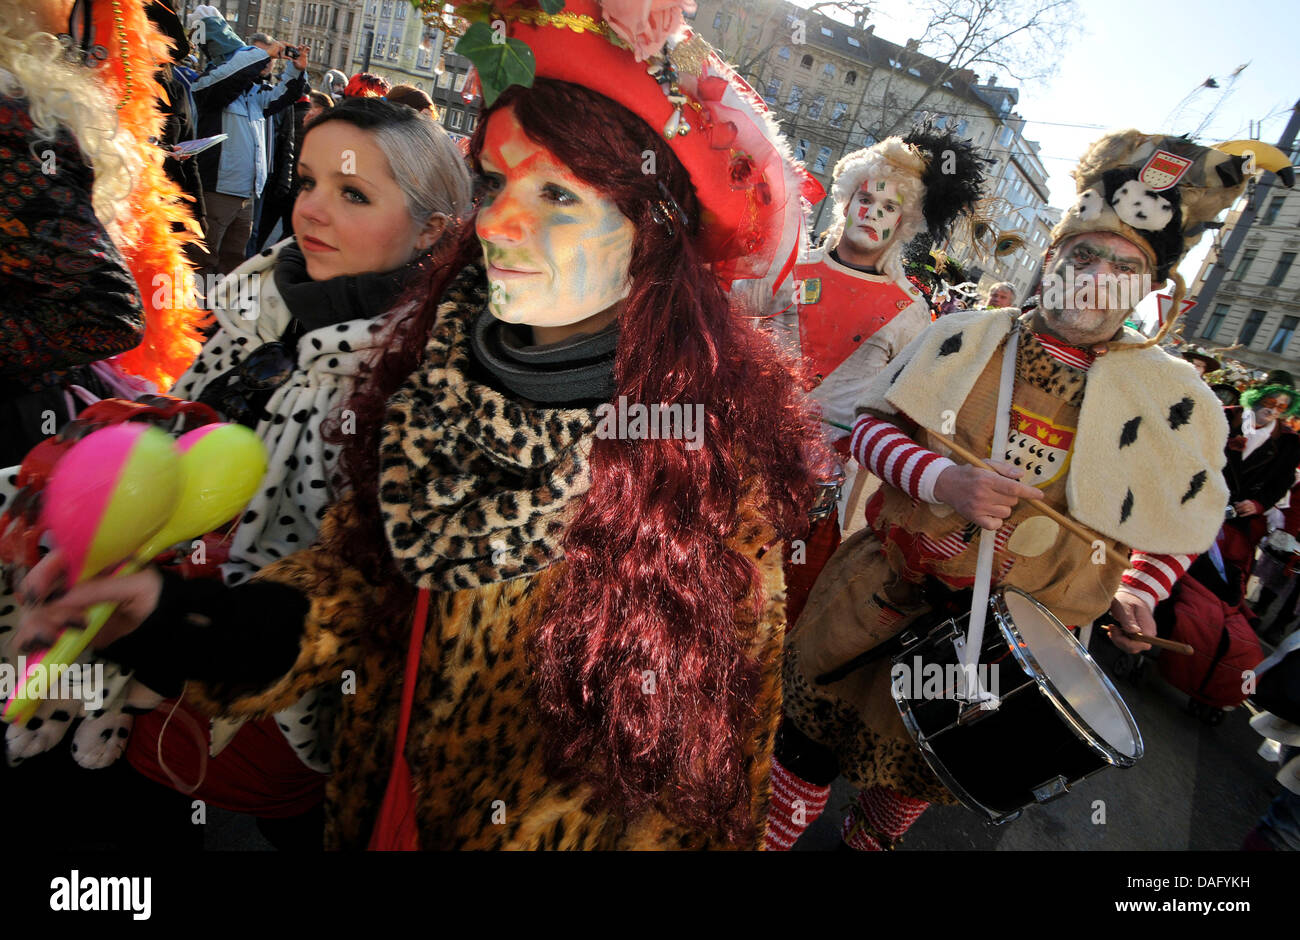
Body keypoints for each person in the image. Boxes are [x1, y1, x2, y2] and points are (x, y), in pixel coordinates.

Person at [17, 0, 823, 850]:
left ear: (649, 238)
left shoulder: (699, 454)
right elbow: (356, 584)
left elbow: (711, 763)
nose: (500, 223)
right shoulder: (435, 362)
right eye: (497, 183)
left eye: (556, 193)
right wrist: (179, 624)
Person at [3, 97, 472, 850]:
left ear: (434, 231)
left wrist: (181, 616)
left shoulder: (427, 379)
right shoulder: (264, 292)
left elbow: (354, 596)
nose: (312, 210)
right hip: (137, 632)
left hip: (250, 707)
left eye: (353, 194)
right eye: (309, 180)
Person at [767, 129, 1252, 851]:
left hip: (1001, 650)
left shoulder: (1167, 398)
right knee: (800, 756)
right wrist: (943, 480)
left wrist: (1139, 591)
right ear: (1053, 258)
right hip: (882, 597)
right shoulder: (967, 334)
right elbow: (871, 432)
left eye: (1121, 266)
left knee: (904, 790)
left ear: (1152, 293)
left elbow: (1173, 522)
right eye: (1082, 255)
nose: (1094, 276)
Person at [779, 128, 986, 623]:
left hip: (825, 483)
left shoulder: (912, 312)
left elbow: (903, 412)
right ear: (847, 202)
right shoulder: (788, 270)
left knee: (783, 604)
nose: (872, 212)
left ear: (904, 223)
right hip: (747, 450)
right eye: (865, 198)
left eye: (888, 207)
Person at [187, 6, 308, 278]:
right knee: (204, 261)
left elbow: (283, 96)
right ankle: (195, 314)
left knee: (234, 263)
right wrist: (263, 53)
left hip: (246, 195)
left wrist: (296, 71)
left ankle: (220, 315)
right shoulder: (206, 84)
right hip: (217, 191)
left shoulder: (252, 94)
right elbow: (231, 73)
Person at [1219, 373, 1300, 584]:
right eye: (1270, 402)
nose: (1273, 410)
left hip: (1235, 518)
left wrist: (1258, 504)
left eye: (1282, 407)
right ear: (1256, 397)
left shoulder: (1289, 442)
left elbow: (1281, 483)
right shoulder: (1224, 416)